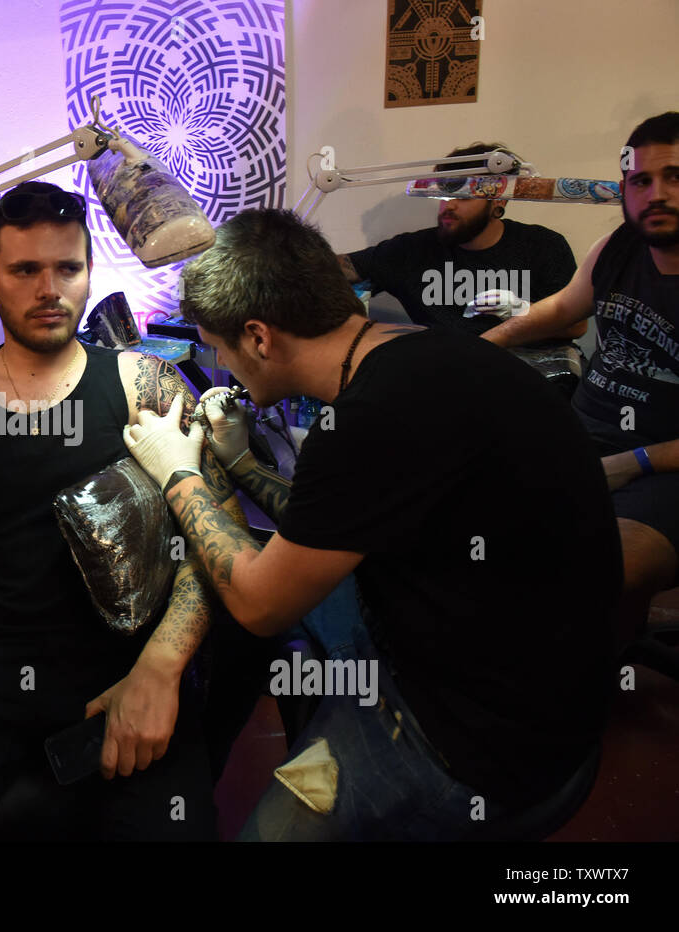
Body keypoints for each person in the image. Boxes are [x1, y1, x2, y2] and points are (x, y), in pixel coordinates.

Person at [124, 207, 621, 840]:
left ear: (259, 336)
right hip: (553, 689)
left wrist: (178, 472)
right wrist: (244, 464)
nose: (223, 368)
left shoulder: (369, 421)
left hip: (482, 744)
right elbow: (332, 523)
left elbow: (257, 601)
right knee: (269, 623)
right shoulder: (418, 351)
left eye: (219, 350)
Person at [0, 181, 247, 841]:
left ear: (90, 274)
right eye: (25, 270)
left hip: (119, 673)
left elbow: (218, 536)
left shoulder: (142, 381)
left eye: (68, 268)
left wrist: (163, 665)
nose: (48, 288)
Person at [483, 112, 679, 643]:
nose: (656, 194)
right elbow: (562, 308)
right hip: (583, 437)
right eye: (641, 181)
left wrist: (629, 463)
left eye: (674, 177)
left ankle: (580, 693)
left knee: (599, 570)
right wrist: (481, 347)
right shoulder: (619, 249)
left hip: (665, 468)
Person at [337, 143, 583, 341]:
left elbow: (576, 326)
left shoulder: (543, 246)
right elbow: (340, 268)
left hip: (524, 377)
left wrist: (521, 310)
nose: (449, 206)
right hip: (447, 376)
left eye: (464, 196)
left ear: (499, 201)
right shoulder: (412, 251)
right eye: (444, 195)